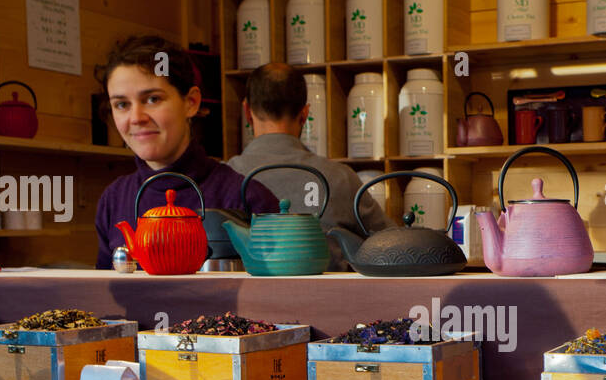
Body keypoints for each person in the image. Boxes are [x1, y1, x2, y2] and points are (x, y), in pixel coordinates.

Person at [93, 35, 277, 270]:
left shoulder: (248, 197)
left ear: (191, 102)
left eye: (152, 99)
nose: (136, 117)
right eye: (121, 104)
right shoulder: (114, 199)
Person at [228, 63, 393, 270]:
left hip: (244, 301)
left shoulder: (225, 178)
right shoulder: (340, 177)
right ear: (305, 114)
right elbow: (390, 245)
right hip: (331, 301)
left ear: (247, 111)